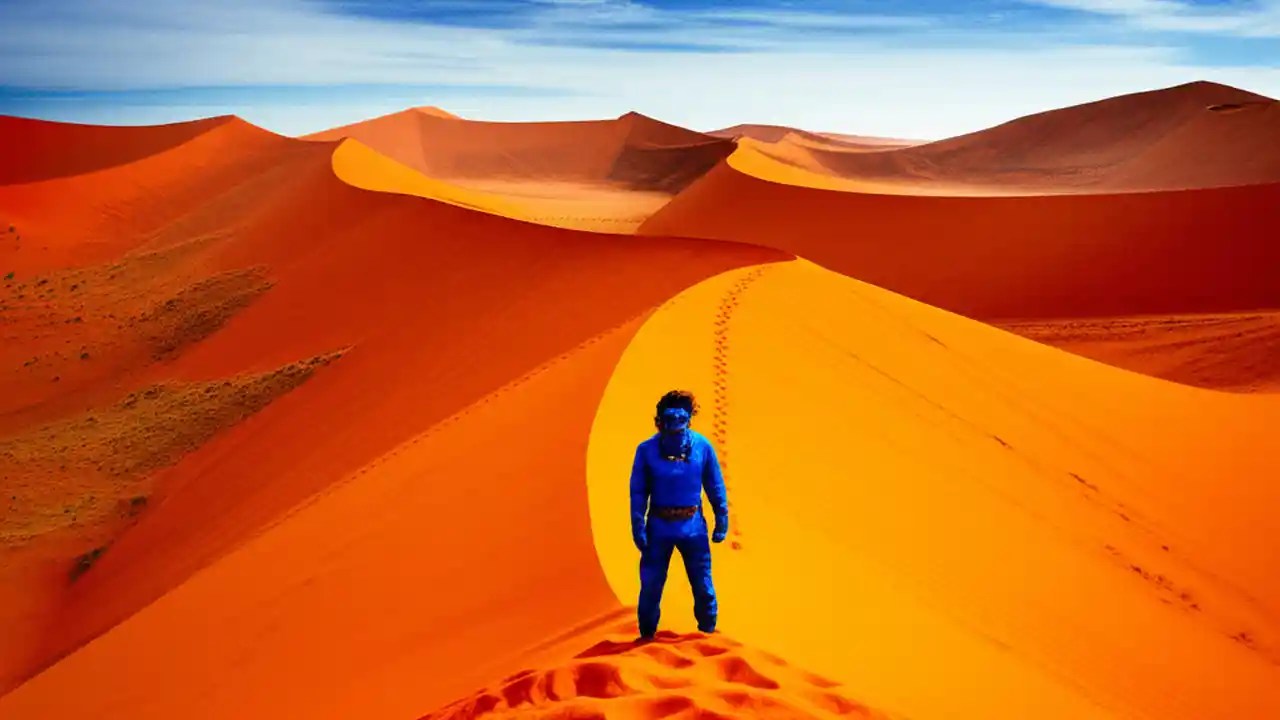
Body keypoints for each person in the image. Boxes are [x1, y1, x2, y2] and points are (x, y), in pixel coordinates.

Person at [629, 389, 728, 642]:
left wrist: (722, 518)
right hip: (658, 528)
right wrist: (638, 526)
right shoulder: (646, 451)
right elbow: (638, 491)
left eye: (679, 420)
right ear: (659, 421)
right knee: (651, 587)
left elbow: (714, 484)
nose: (674, 426)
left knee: (703, 585)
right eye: (668, 420)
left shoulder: (702, 447)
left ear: (689, 420)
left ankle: (708, 636)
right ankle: (646, 638)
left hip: (693, 527)